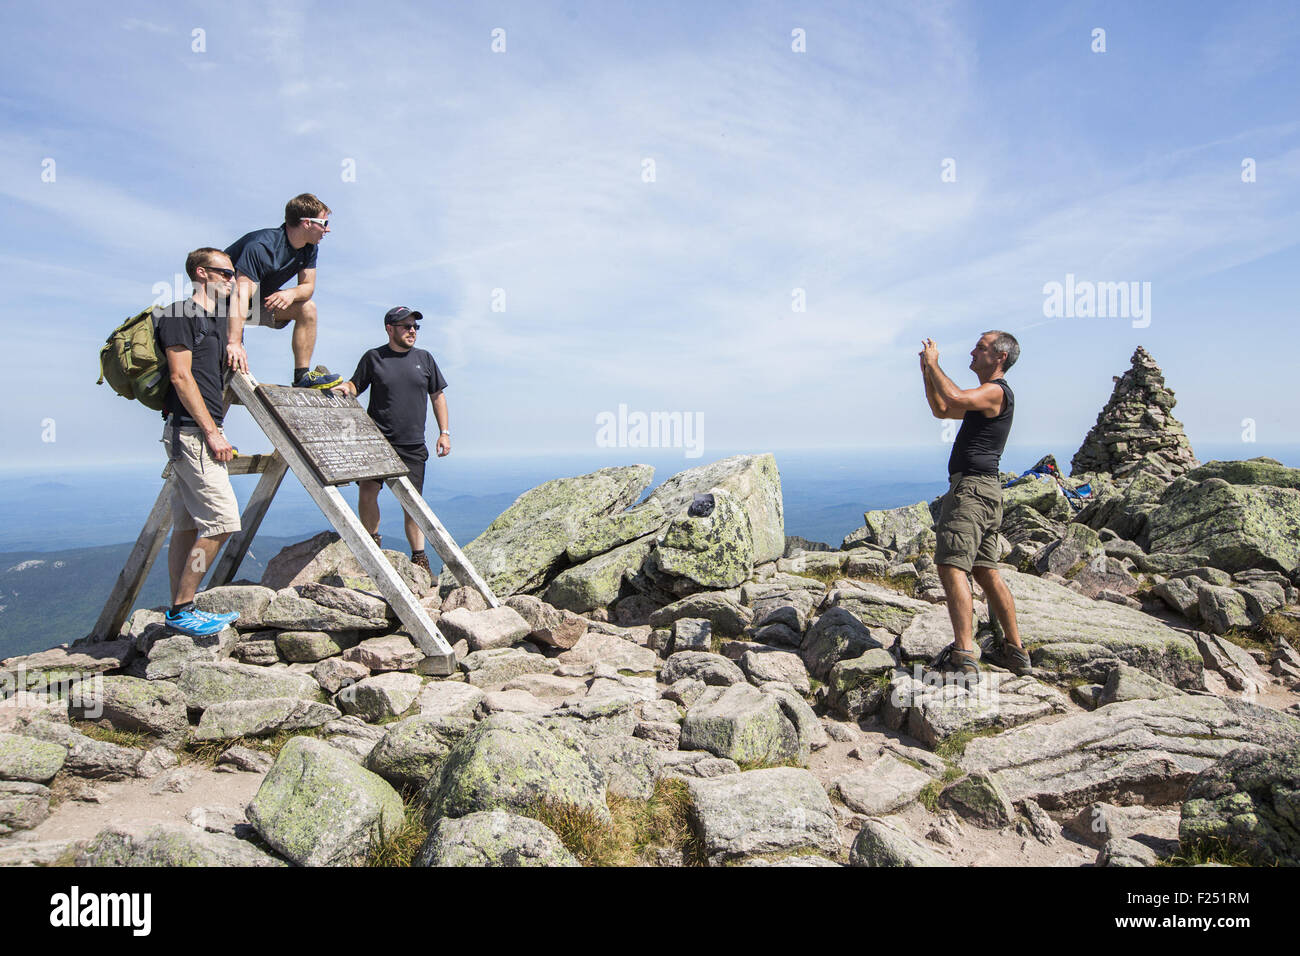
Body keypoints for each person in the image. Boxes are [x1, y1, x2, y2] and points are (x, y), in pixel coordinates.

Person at [920, 330, 1030, 677]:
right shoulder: (986, 396)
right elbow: (942, 408)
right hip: (986, 492)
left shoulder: (995, 391)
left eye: (980, 348)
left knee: (953, 565)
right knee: (985, 571)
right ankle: (1015, 651)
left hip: (972, 492)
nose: (972, 351)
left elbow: (952, 393)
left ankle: (963, 655)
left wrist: (936, 365)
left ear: (999, 357)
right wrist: (927, 373)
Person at [155, 248, 243, 637]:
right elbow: (180, 377)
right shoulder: (178, 315)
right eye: (225, 273)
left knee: (188, 526)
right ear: (201, 273)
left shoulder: (215, 320)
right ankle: (183, 608)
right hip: (191, 433)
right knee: (223, 521)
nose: (231, 279)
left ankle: (179, 608)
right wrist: (212, 431)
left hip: (191, 431)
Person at [331, 306, 450, 573]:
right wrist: (344, 389)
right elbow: (355, 385)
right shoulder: (373, 358)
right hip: (377, 441)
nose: (412, 331)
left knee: (413, 504)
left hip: (412, 444)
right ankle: (372, 546)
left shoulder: (425, 359)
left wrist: (444, 432)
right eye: (406, 326)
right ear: (389, 329)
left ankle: (419, 558)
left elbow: (437, 396)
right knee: (368, 490)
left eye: (415, 327)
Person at [223, 193, 341, 389]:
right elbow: (240, 296)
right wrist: (235, 342)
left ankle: (302, 377)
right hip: (220, 307)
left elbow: (308, 287)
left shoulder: (309, 248)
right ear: (306, 223)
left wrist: (290, 293)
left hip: (252, 302)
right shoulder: (261, 246)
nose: (328, 229)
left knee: (307, 308)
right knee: (228, 367)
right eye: (324, 223)